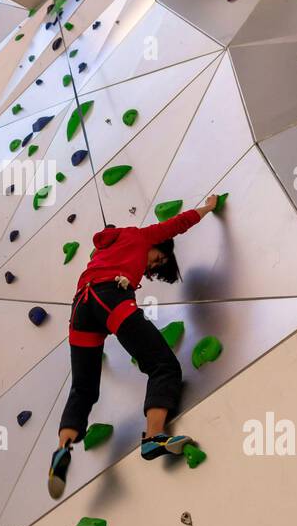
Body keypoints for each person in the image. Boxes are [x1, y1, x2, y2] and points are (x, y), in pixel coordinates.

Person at [48, 195, 219, 499]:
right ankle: (153, 436)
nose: (155, 264)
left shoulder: (105, 248)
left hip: (79, 310)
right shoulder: (139, 235)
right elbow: (177, 224)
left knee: (83, 389)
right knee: (162, 364)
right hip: (109, 296)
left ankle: (62, 450)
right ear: (160, 245)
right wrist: (207, 207)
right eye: (159, 259)